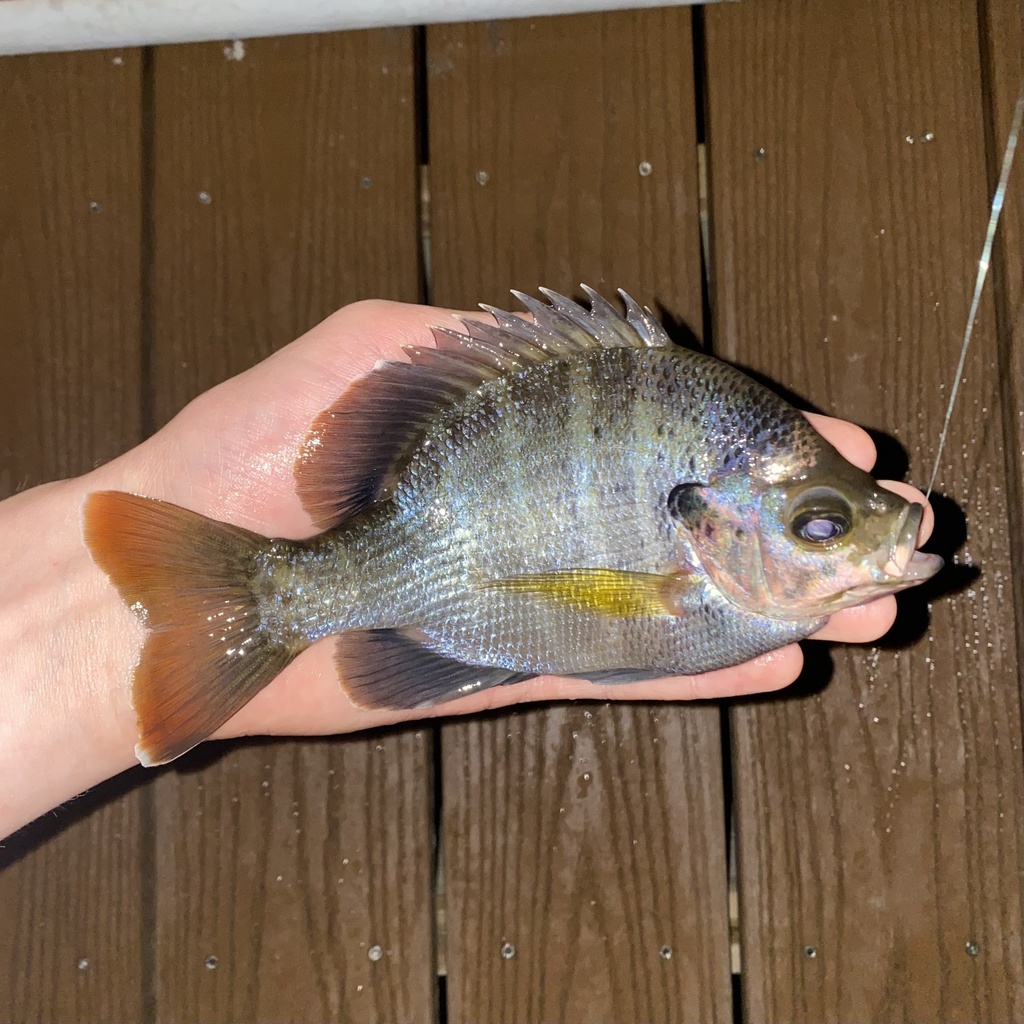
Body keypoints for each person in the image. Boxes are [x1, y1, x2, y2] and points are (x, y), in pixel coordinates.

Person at [0, 299, 933, 839]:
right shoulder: (707, 582)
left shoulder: (739, 585)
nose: (852, 539)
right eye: (820, 523)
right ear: (705, 528)